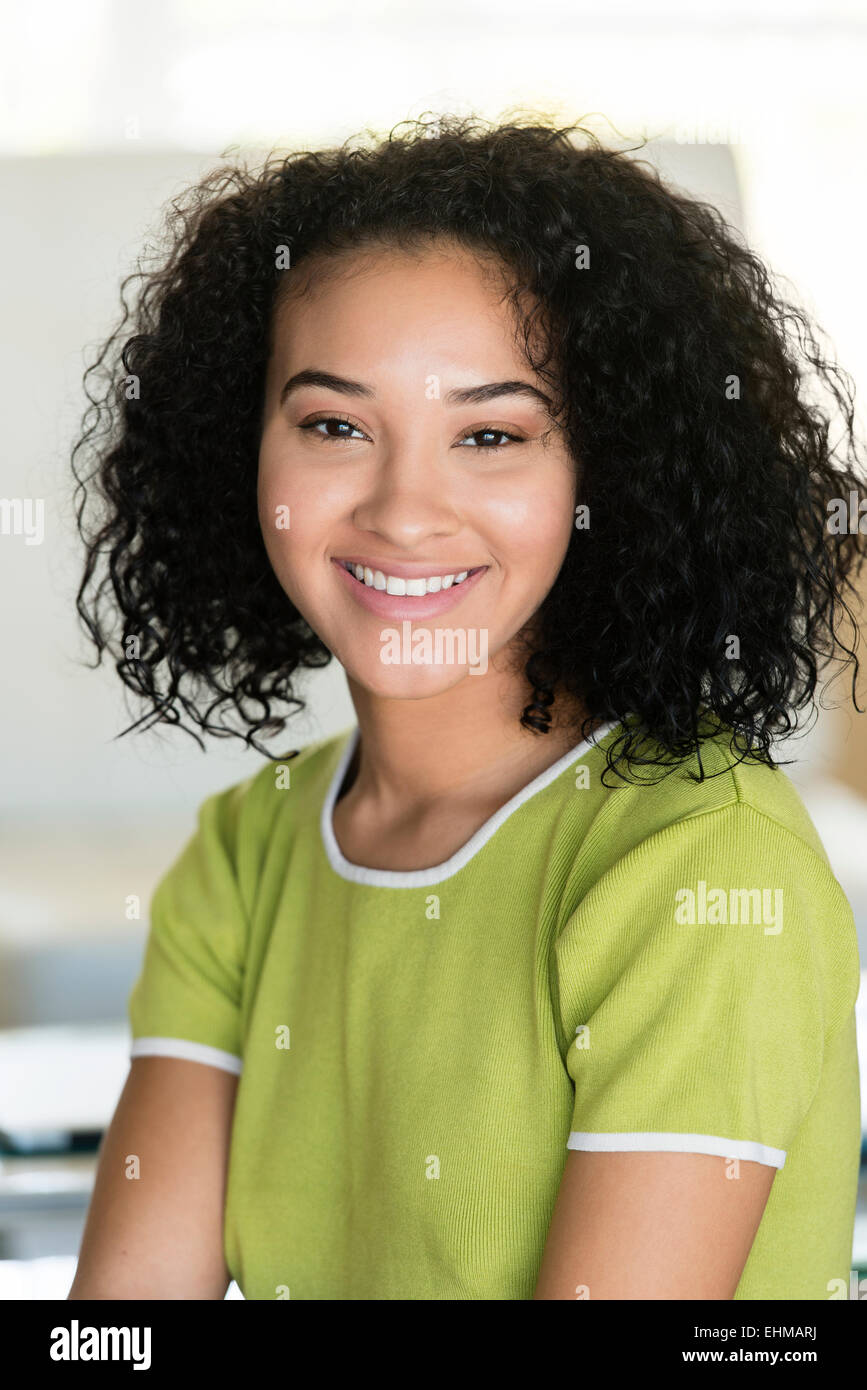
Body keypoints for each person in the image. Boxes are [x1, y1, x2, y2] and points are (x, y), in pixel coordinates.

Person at [68, 113, 865, 1300]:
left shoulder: (699, 863)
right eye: (335, 424)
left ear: (614, 470)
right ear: (243, 448)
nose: (404, 508)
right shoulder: (245, 854)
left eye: (491, 434)